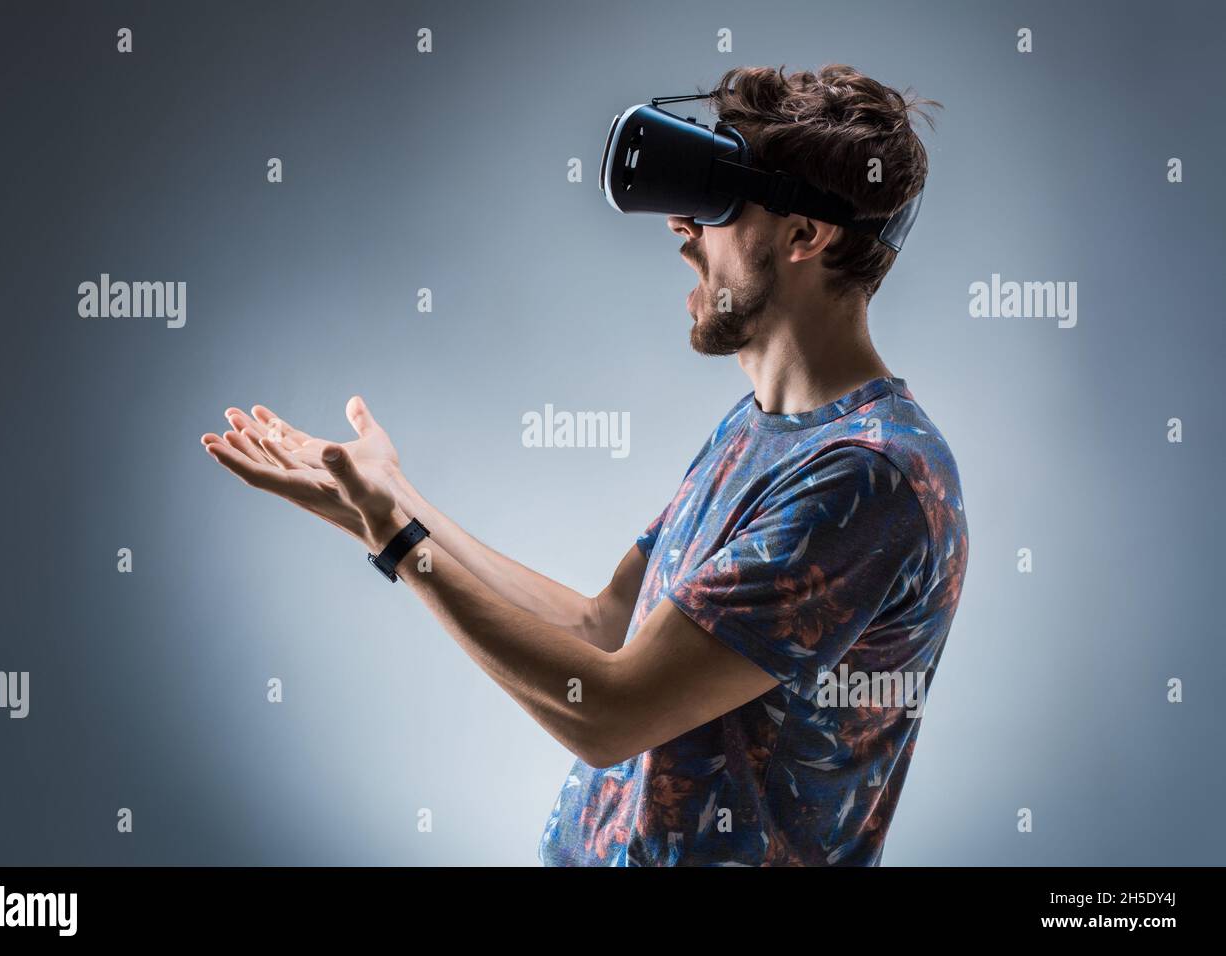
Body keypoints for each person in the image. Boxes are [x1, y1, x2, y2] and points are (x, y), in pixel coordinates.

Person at [201, 64, 968, 866]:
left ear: (806, 236)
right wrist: (387, 505)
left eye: (716, 206)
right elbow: (605, 631)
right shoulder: (761, 430)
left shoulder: (867, 476)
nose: (682, 234)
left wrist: (400, 541)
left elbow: (609, 713)